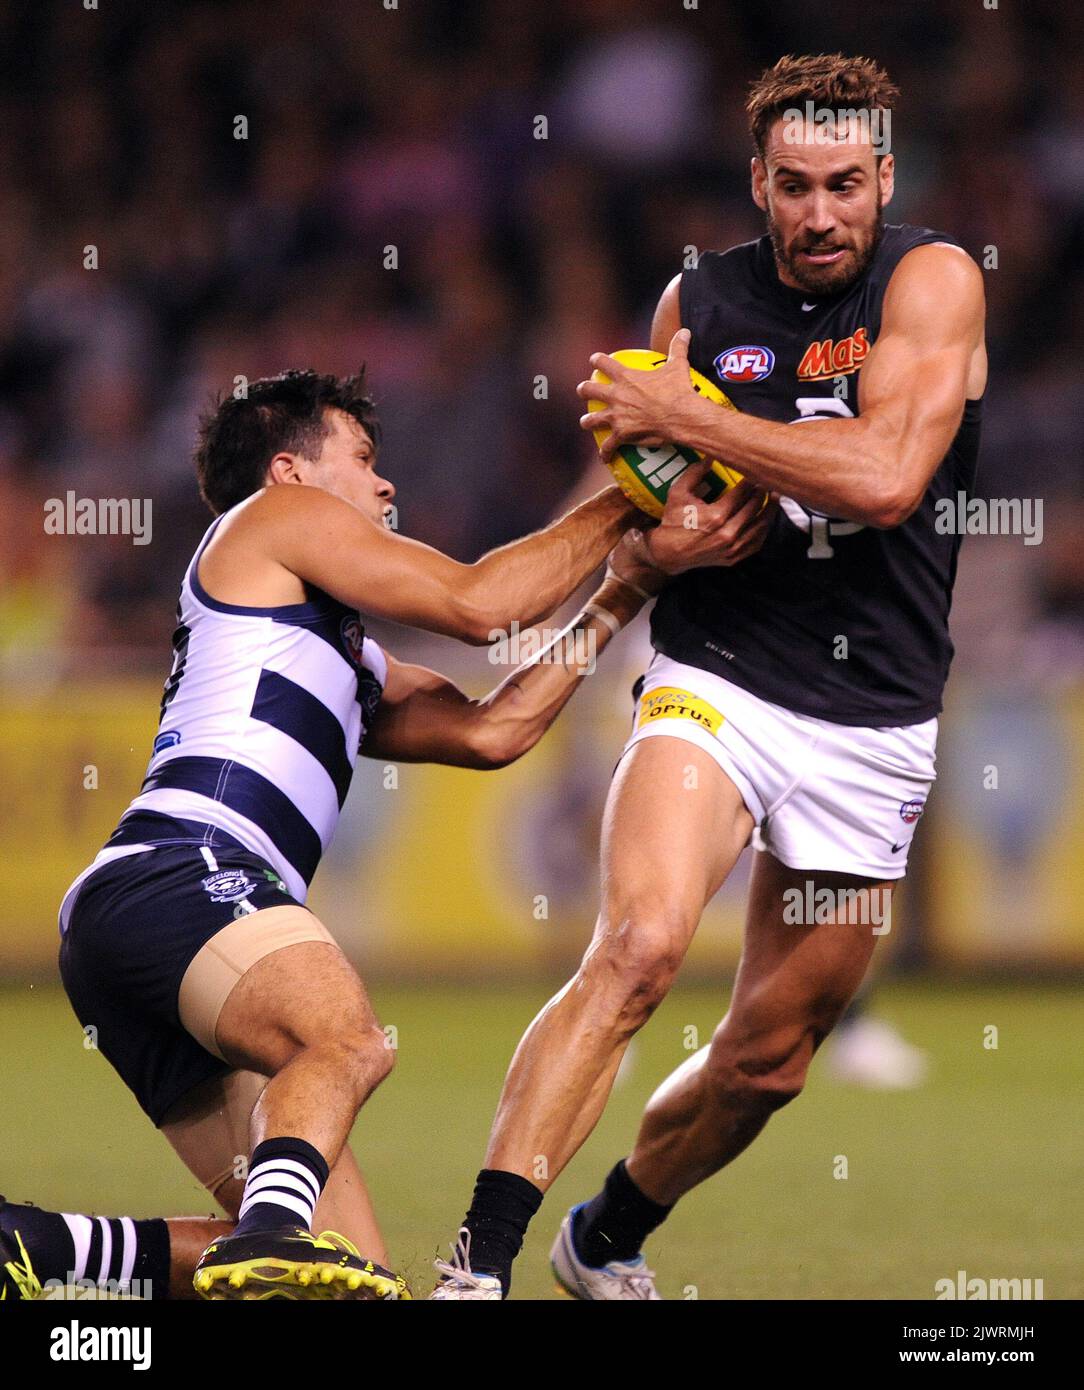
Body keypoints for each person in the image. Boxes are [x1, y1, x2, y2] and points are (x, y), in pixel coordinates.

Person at [3, 366, 754, 1301]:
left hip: (138, 926)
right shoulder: (268, 521)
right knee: (348, 1042)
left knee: (359, 1282)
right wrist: (631, 492)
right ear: (289, 472)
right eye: (363, 459)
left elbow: (493, 731)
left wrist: (626, 586)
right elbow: (484, 607)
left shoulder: (334, 645)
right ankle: (274, 1232)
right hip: (187, 874)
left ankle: (42, 1246)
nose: (386, 483)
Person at [434, 52, 986, 1299]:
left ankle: (609, 1234)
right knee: (635, 948)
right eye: (791, 185)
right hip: (716, 671)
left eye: (845, 184)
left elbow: (889, 477)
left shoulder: (933, 281)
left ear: (884, 178)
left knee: (770, 1057)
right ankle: (476, 1267)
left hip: (875, 712)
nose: (818, 214)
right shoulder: (694, 306)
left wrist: (691, 419)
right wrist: (654, 534)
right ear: (756, 181)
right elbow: (652, 495)